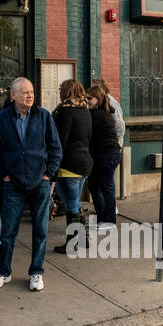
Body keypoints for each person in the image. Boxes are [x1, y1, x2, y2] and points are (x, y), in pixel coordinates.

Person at [0, 77, 62, 292]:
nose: (30, 95)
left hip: (40, 183)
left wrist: (49, 174)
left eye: (31, 91)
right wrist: (4, 175)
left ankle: (36, 272)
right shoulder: (2, 119)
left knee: (41, 230)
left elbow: (55, 147)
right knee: (8, 231)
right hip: (13, 184)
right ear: (13, 96)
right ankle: (4, 272)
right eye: (24, 92)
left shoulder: (44, 116)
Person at [51, 79, 93, 252]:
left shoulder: (65, 113)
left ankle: (72, 243)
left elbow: (60, 142)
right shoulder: (85, 111)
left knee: (70, 205)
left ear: (66, 92)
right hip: (84, 163)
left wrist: (52, 169)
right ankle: (83, 239)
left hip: (69, 165)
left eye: (61, 89)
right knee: (74, 203)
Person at [87, 81, 122, 232]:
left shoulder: (98, 114)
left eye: (90, 99)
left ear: (98, 99)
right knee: (94, 185)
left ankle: (109, 220)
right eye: (86, 98)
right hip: (106, 154)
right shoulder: (103, 112)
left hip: (107, 155)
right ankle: (102, 219)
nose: (87, 102)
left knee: (105, 186)